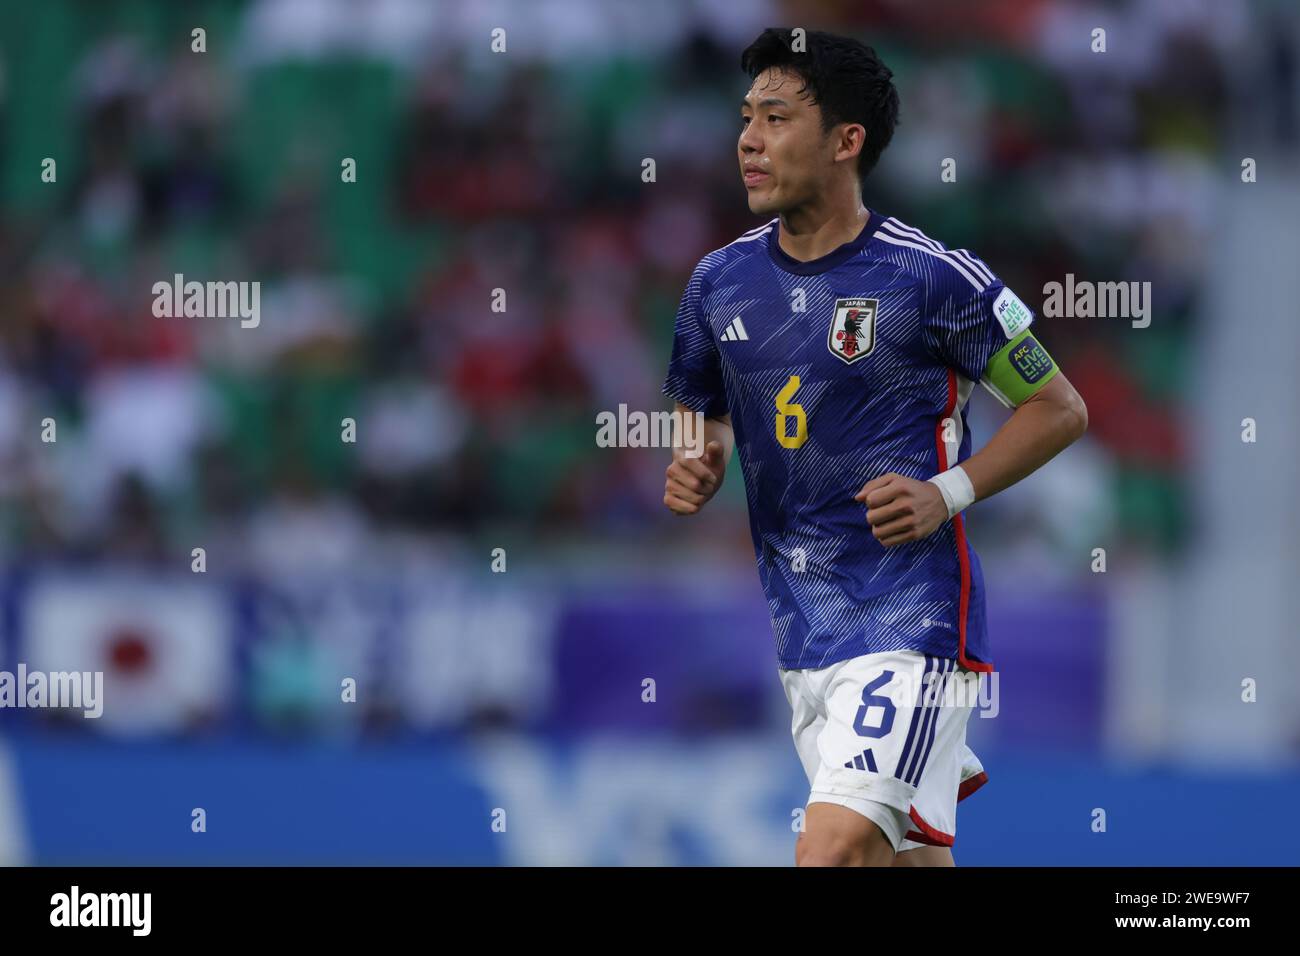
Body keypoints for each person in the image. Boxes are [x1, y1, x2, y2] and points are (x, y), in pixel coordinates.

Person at [661, 28, 1087, 866]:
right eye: (746, 117)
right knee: (904, 861)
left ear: (846, 141)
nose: (748, 138)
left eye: (777, 118)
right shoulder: (717, 283)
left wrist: (947, 491)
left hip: (911, 616)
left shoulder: (932, 278)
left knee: (831, 851)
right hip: (803, 631)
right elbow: (696, 401)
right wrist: (697, 456)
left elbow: (1057, 407)